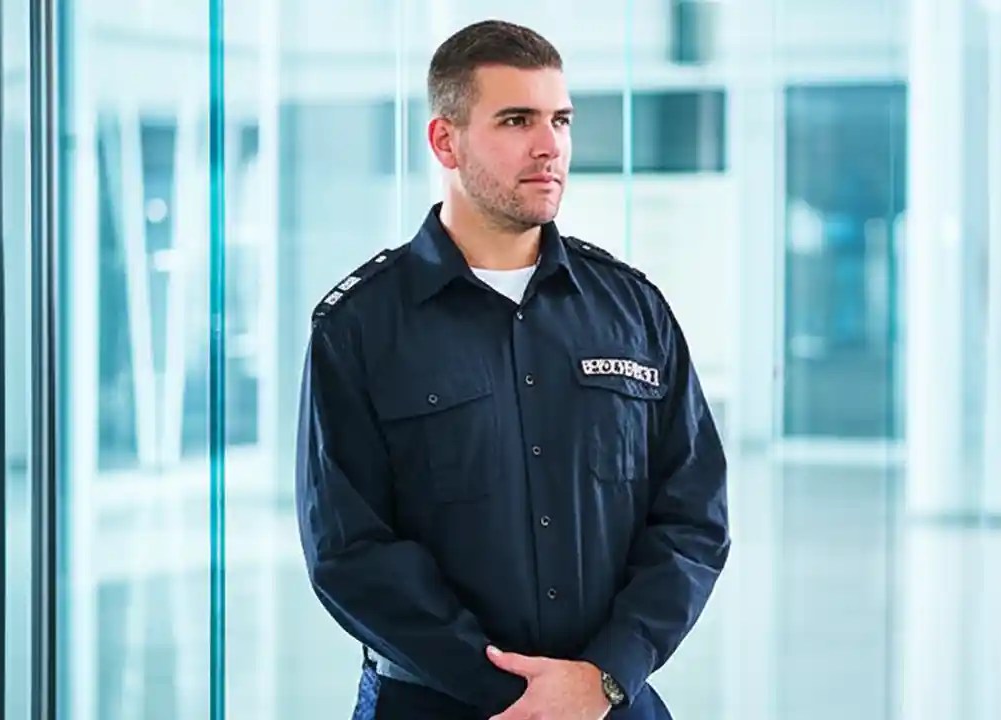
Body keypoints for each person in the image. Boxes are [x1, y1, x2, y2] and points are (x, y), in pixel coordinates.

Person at [295, 18, 730, 720]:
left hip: (610, 704)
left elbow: (693, 516)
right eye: (516, 120)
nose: (549, 146)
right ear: (446, 140)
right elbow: (350, 550)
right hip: (434, 704)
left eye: (560, 119)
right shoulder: (360, 328)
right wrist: (519, 697)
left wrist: (603, 677)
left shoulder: (634, 309)